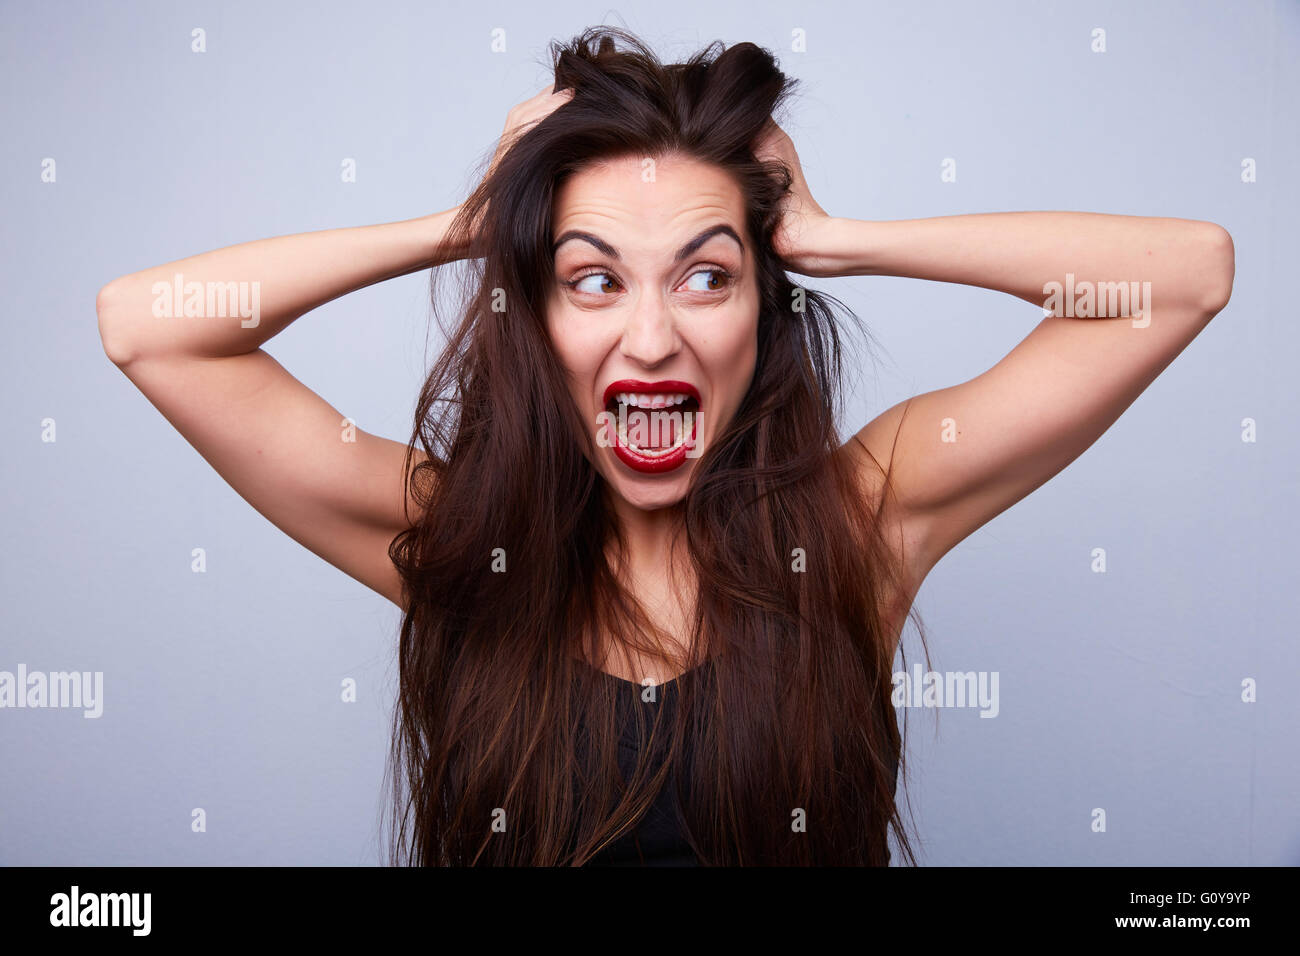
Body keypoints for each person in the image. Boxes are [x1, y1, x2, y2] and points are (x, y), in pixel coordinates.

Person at [95, 27, 1234, 866]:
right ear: (534, 318)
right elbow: (151, 330)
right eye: (592, 278)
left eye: (707, 275)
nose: (652, 335)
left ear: (762, 306)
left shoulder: (859, 520)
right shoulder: (457, 537)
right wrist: (472, 227)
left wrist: (837, 239)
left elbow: (1181, 280)